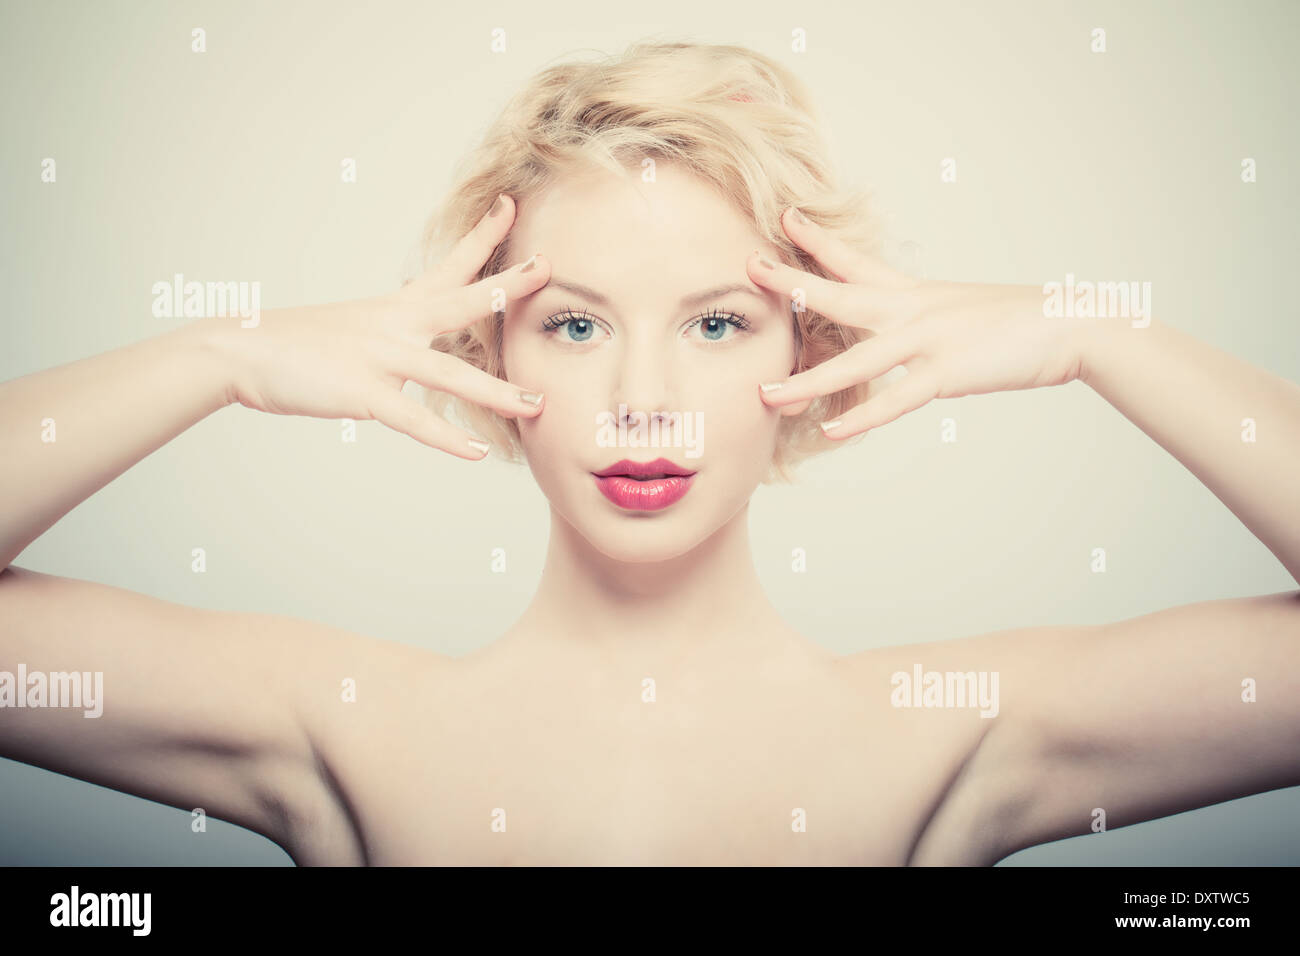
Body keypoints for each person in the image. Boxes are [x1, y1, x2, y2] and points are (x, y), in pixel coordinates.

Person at [2, 41, 1297, 866]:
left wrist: (1098, 336)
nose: (643, 398)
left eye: (717, 323)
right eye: (573, 324)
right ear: (492, 354)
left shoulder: (958, 736)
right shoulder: (338, 726)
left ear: (813, 347)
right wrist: (216, 356)